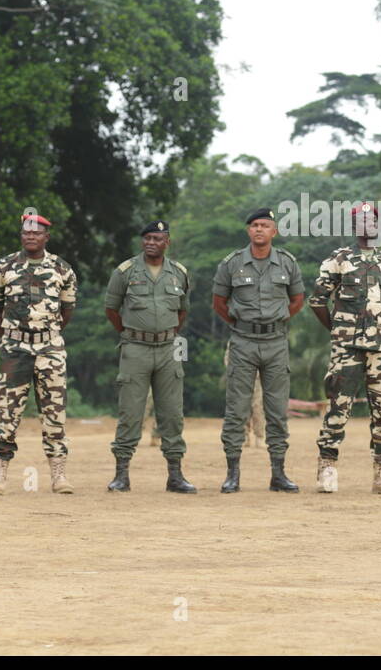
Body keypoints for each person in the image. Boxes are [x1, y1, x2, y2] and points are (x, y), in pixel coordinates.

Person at [309, 202, 381, 494]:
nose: (367, 225)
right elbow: (317, 301)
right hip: (346, 348)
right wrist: (338, 330)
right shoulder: (338, 260)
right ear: (353, 227)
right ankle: (327, 469)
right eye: (361, 221)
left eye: (372, 220)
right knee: (339, 407)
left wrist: (378, 330)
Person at [212, 208, 304, 493]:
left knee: (276, 410)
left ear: (274, 231)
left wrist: (277, 321)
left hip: (276, 343)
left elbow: (298, 299)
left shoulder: (287, 263)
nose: (259, 229)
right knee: (236, 409)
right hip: (243, 342)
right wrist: (243, 324)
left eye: (265, 225)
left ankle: (278, 474)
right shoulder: (232, 263)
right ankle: (233, 474)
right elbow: (219, 302)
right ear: (248, 231)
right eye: (254, 225)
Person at [0, 212, 78, 495]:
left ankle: (58, 474)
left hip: (50, 348)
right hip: (15, 348)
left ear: (46, 237)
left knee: (54, 413)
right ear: (21, 235)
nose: (31, 237)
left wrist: (46, 336)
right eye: (26, 232)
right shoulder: (3, 267)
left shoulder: (62, 269)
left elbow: (68, 310)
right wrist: (11, 339)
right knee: (8, 413)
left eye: (36, 233)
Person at [104, 220, 195, 493]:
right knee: (130, 412)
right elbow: (111, 309)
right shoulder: (125, 271)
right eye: (147, 239)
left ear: (167, 241)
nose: (151, 243)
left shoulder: (178, 272)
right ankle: (121, 475)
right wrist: (132, 333)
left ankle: (175, 475)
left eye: (157, 238)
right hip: (135, 348)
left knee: (172, 413)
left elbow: (182, 310)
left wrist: (166, 333)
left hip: (169, 348)